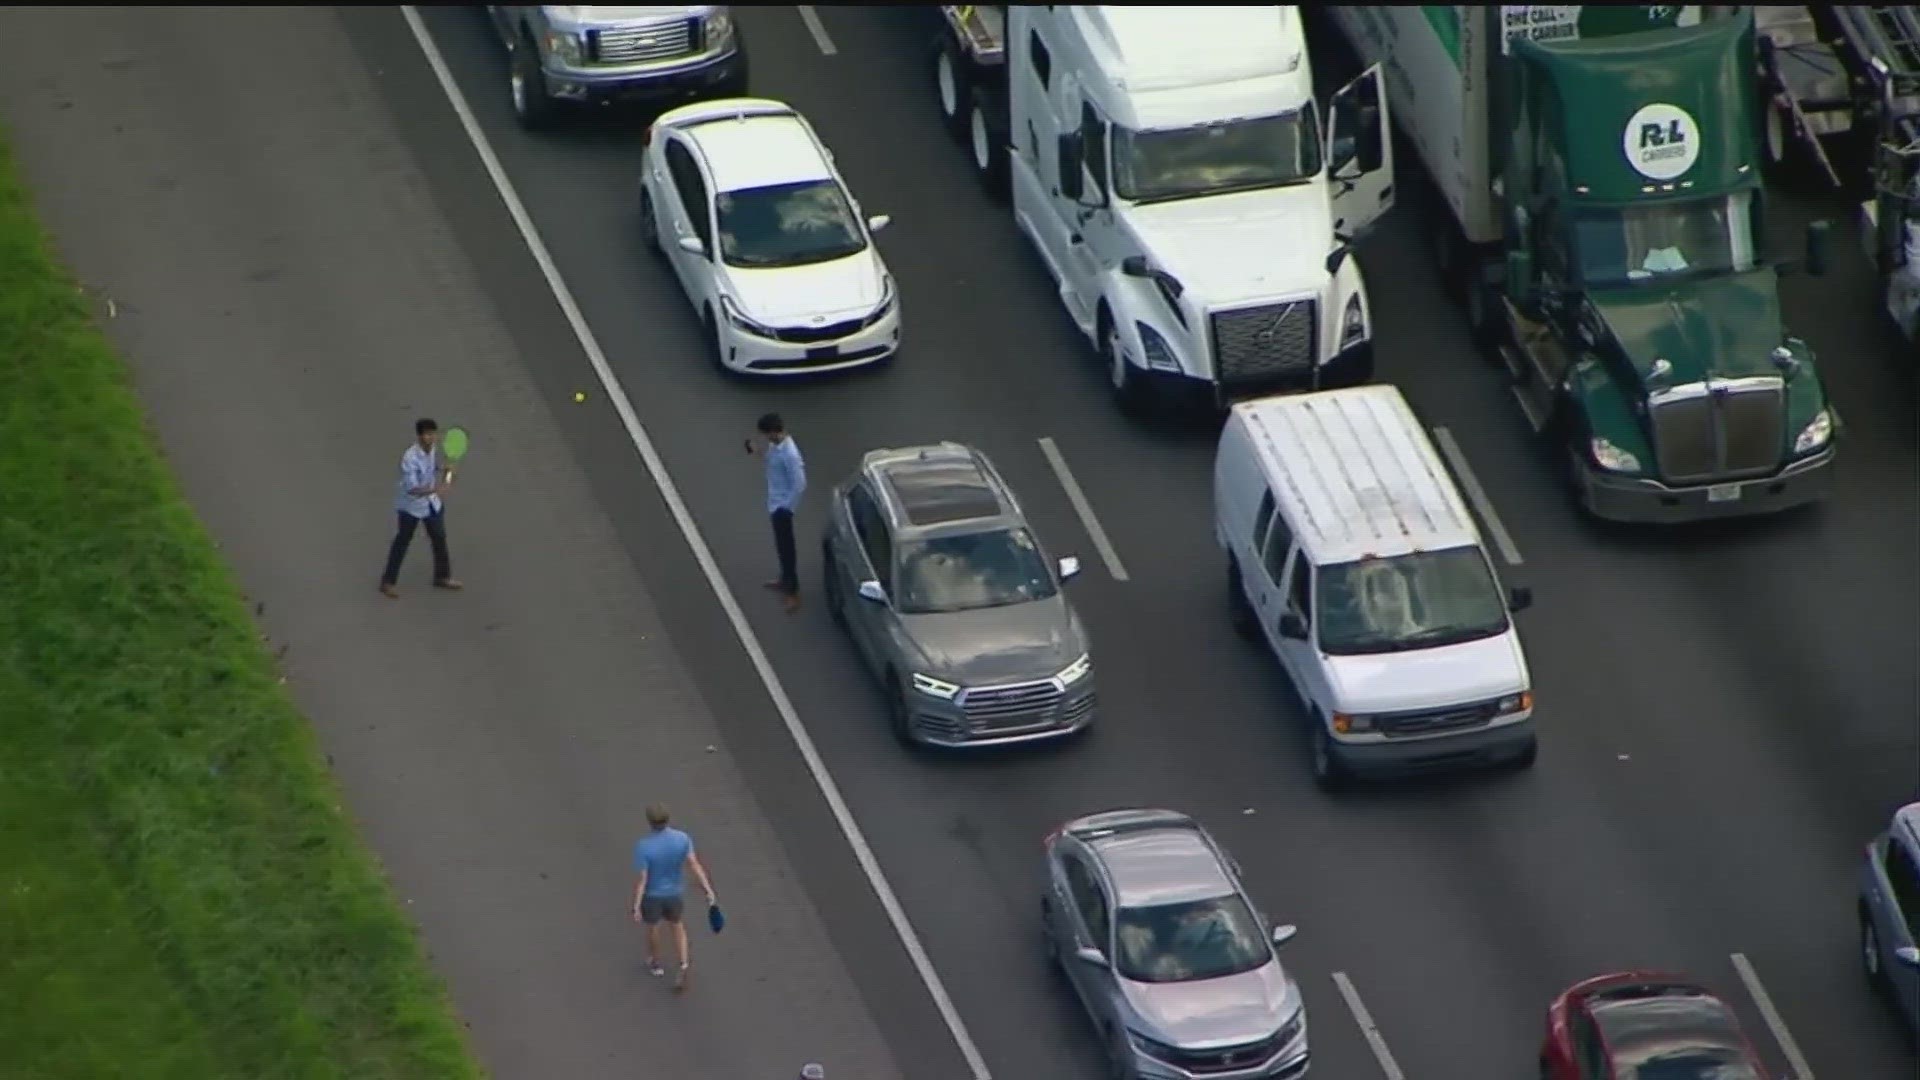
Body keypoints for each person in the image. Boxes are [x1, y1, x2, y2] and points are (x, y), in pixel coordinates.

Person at [631, 804, 716, 990]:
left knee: (653, 927)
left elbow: (642, 879)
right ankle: (684, 964)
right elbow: (694, 865)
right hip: (674, 893)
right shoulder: (682, 838)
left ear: (650, 822)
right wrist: (708, 889)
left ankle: (655, 961)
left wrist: (636, 905)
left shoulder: (644, 846)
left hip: (653, 896)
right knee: (677, 926)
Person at [379, 417, 461, 598]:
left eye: (433, 434)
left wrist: (444, 469)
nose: (430, 438)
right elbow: (412, 488)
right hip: (410, 508)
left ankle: (442, 577)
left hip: (431, 504)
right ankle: (388, 582)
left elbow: (431, 467)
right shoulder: (409, 458)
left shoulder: (432, 450)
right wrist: (438, 489)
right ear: (419, 436)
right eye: (426, 435)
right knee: (402, 542)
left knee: (439, 538)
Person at [756, 412, 806, 613]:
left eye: (767, 434)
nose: (766, 438)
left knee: (787, 550)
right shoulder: (776, 447)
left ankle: (792, 592)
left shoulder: (790, 454)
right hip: (774, 502)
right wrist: (757, 453)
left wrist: (787, 507)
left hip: (782, 507)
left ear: (774, 432)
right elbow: (771, 463)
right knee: (781, 546)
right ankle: (784, 579)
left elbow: (800, 483)